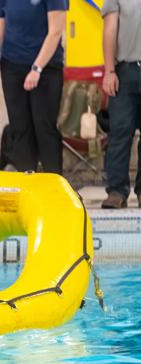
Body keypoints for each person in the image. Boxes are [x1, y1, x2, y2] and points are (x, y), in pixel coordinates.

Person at [0, 0, 67, 175]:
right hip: (12, 66)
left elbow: (55, 32)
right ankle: (27, 181)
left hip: (46, 68)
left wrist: (37, 68)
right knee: (19, 128)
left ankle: (53, 185)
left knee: (44, 128)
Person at [100, 0, 141, 209]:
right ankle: (116, 191)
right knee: (120, 132)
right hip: (126, 71)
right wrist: (109, 71)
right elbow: (110, 29)